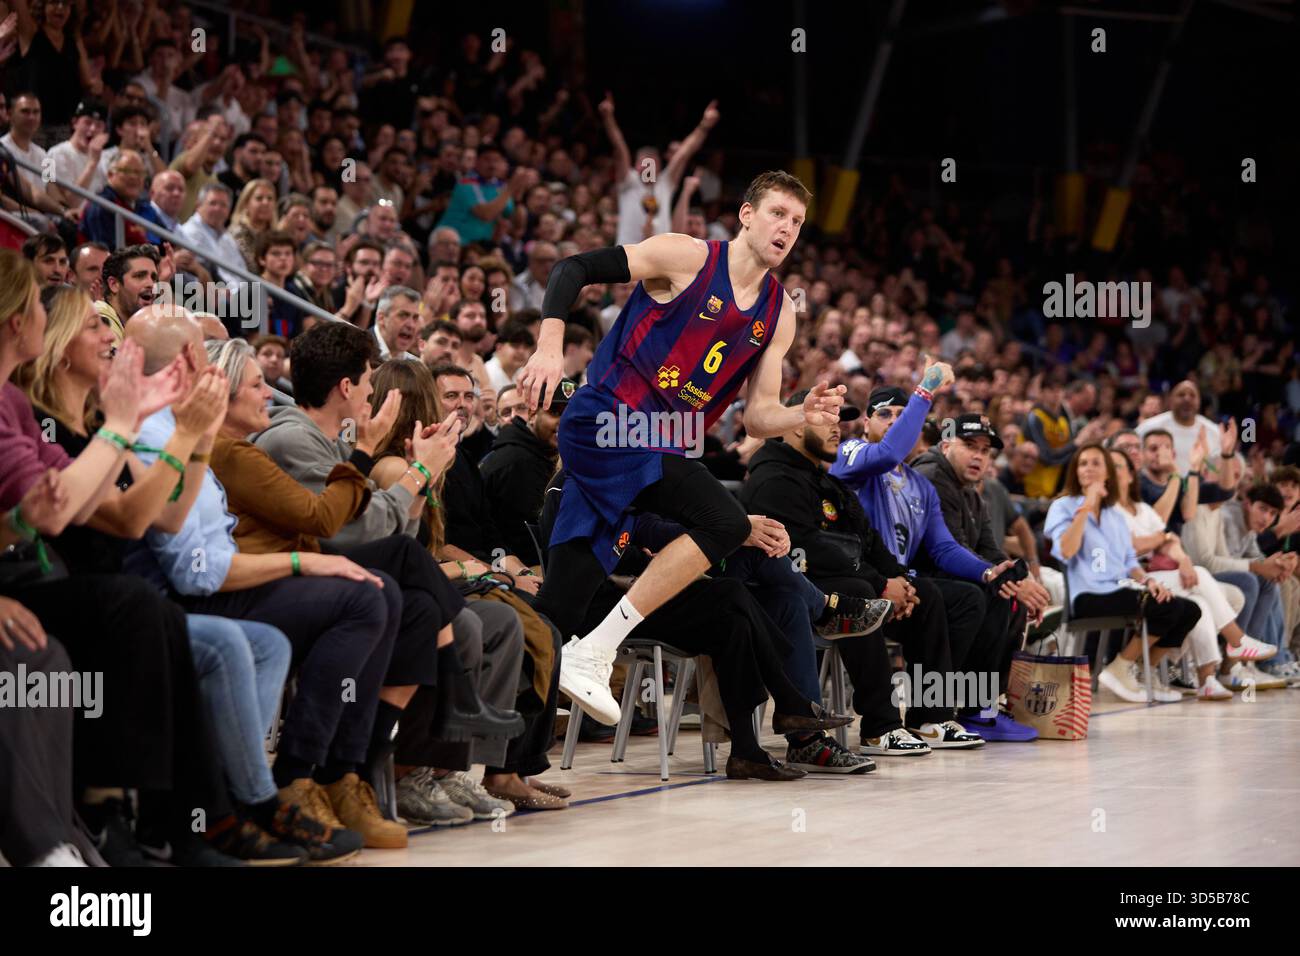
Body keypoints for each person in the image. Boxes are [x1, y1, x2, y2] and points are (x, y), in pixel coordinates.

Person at [514, 170, 854, 726]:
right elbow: (571, 269)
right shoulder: (687, 256)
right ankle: (596, 650)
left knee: (558, 608)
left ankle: (509, 753)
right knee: (725, 520)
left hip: (659, 449)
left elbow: (758, 417)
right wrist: (550, 347)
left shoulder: (779, 313)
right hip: (607, 421)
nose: (787, 229)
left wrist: (802, 414)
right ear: (747, 215)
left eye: (797, 222)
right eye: (777, 214)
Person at [1044, 445, 1203, 704]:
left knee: (1189, 610)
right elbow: (1066, 550)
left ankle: (1141, 670)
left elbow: (1129, 561)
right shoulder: (1062, 506)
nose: (1088, 468)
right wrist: (1087, 505)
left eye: (1096, 463)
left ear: (1107, 473)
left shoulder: (1114, 516)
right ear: (1075, 471)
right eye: (1083, 463)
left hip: (1120, 588)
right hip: (1087, 595)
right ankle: (1121, 667)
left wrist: (1149, 581)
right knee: (1165, 608)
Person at [1108, 448, 1263, 701]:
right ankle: (1237, 641)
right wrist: (1161, 538)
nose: (1112, 473)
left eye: (1118, 467)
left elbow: (1170, 540)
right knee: (1201, 577)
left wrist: (1183, 559)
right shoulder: (1106, 509)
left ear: (1130, 475)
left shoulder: (1141, 508)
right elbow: (1133, 546)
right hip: (1124, 578)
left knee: (1199, 602)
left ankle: (1207, 679)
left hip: (1148, 574)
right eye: (1109, 467)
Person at [480, 377, 573, 562]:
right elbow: (526, 543)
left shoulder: (546, 453)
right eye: (554, 412)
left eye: (572, 414)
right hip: (513, 567)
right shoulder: (516, 463)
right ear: (532, 414)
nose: (564, 422)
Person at [97, 243, 160, 339]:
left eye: (153, 278)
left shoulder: (138, 325)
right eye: (140, 276)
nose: (151, 284)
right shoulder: (100, 318)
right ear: (114, 284)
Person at [373, 284, 423, 360]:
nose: (411, 325)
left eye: (415, 318)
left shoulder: (415, 363)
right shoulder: (358, 348)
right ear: (381, 318)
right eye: (403, 315)